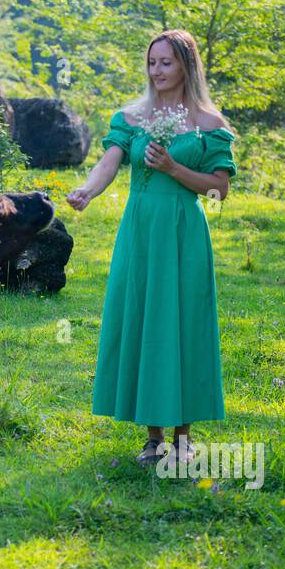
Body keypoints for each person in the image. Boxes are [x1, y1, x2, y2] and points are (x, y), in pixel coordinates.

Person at [66, 29, 238, 466]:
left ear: (186, 65)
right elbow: (109, 161)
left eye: (166, 62)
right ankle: (153, 438)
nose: (156, 70)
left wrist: (175, 167)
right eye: (151, 62)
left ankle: (184, 438)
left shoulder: (208, 124)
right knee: (143, 316)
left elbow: (220, 190)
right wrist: (87, 191)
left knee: (181, 320)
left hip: (183, 230)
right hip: (140, 230)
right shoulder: (132, 116)